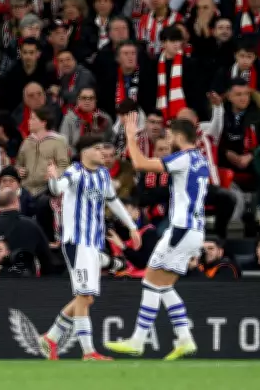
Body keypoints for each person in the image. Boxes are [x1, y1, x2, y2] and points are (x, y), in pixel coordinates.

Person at [106, 113, 208, 360]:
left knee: (150, 282)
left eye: (171, 135)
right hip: (195, 230)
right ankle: (185, 337)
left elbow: (140, 164)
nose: (168, 139)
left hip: (180, 230)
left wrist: (130, 137)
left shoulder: (183, 158)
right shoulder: (201, 160)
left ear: (180, 136)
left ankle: (138, 341)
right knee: (164, 285)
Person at [40, 134, 140, 361]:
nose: (103, 153)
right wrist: (53, 179)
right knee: (84, 296)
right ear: (85, 152)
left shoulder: (103, 175)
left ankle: (51, 337)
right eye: (98, 148)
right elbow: (58, 189)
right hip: (77, 241)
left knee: (86, 298)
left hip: (94, 243)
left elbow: (113, 201)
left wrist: (132, 226)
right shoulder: (75, 172)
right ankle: (88, 352)